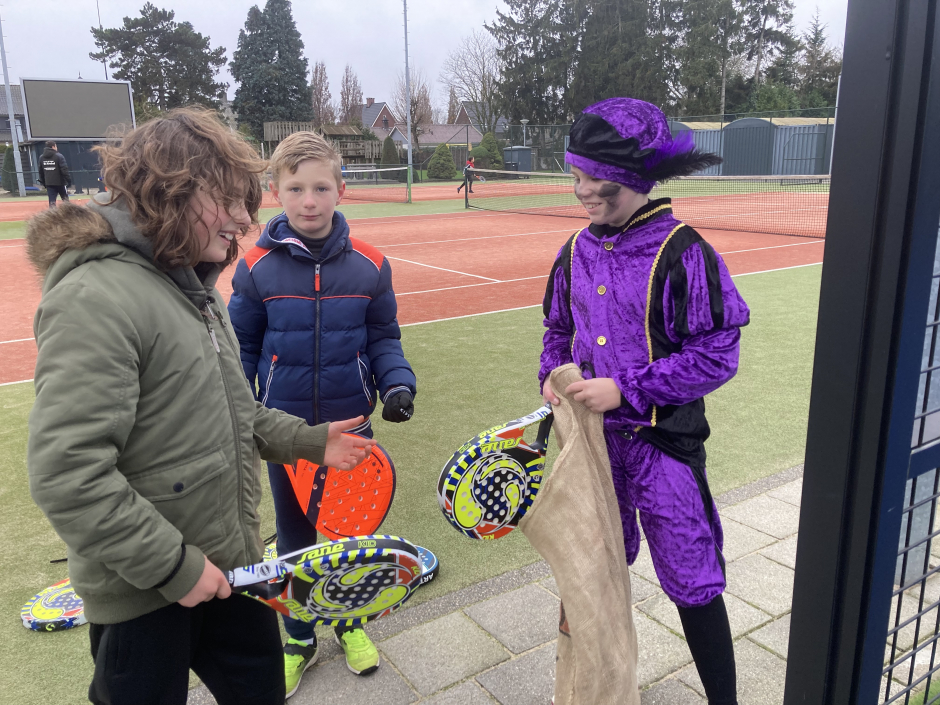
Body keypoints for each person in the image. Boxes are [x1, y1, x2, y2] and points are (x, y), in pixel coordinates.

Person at [25, 108, 373, 705]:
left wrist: (314, 442)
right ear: (172, 191)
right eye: (229, 201)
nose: (245, 220)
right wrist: (173, 568)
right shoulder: (94, 296)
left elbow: (241, 415)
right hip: (145, 593)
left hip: (233, 569)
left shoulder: (197, 290)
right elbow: (68, 473)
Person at [540, 97, 750, 705]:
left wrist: (627, 391)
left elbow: (718, 353)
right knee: (588, 584)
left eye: (586, 176)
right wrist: (553, 378)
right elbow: (556, 330)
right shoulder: (574, 252)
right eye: (573, 174)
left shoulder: (684, 251)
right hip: (595, 453)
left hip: (664, 449)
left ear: (625, 176)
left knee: (693, 581)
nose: (577, 188)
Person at [228, 131, 417, 697]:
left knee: (345, 538)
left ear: (341, 190)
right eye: (295, 189)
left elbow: (384, 336)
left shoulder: (370, 265)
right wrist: (240, 405)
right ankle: (299, 638)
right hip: (286, 436)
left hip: (351, 430)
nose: (308, 201)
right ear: (275, 193)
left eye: (320, 187)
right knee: (294, 538)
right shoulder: (255, 266)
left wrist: (397, 384)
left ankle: (350, 624)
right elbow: (241, 346)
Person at [37, 140, 71, 208]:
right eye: (56, 146)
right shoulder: (59, 156)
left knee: (52, 203)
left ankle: (52, 216)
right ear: (53, 147)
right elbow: (64, 170)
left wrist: (44, 183)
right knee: (66, 201)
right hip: (60, 183)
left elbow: (41, 172)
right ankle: (69, 215)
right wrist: (68, 180)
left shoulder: (41, 157)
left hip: (49, 183)